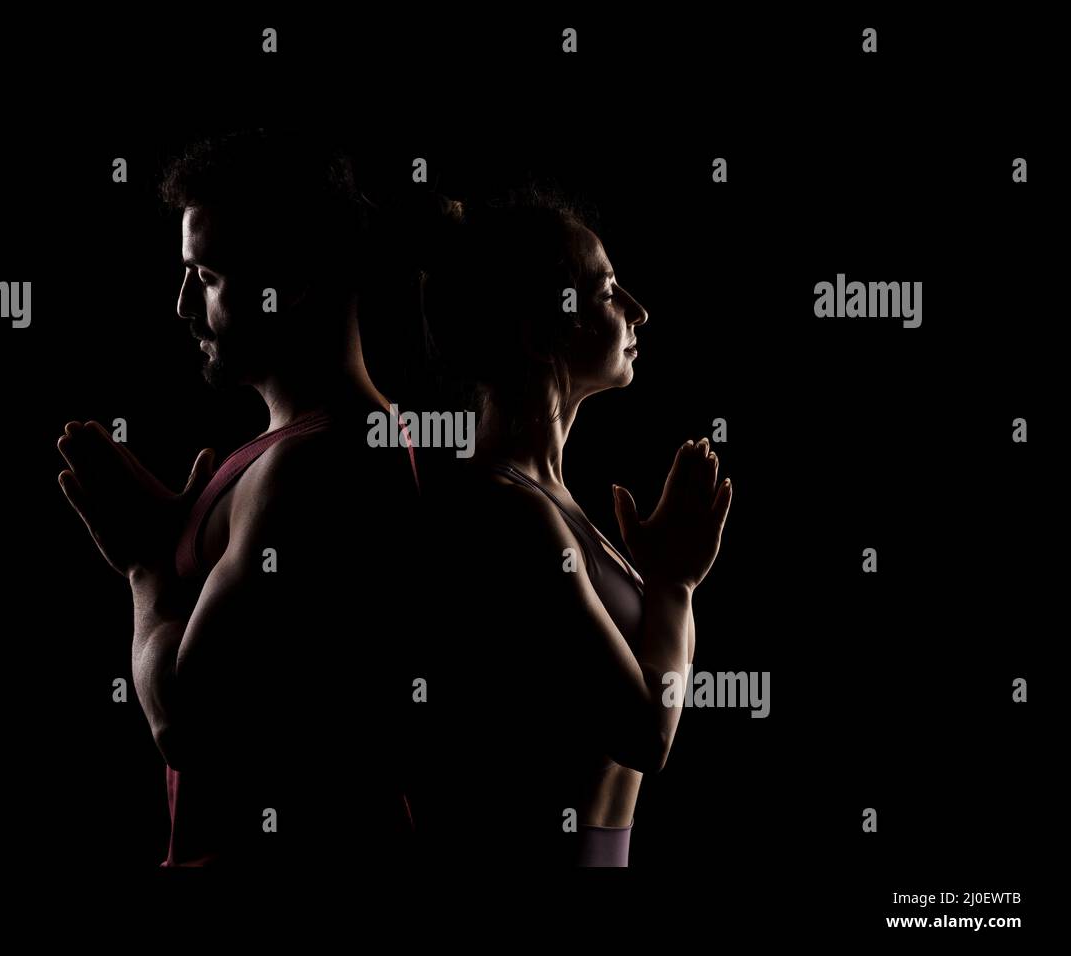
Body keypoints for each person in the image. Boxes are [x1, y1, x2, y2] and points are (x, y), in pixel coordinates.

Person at [56, 129, 421, 868]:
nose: (183, 305)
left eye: (209, 275)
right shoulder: (291, 450)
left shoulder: (317, 463)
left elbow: (185, 723)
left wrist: (146, 569)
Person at [413, 188, 732, 866]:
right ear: (538, 332)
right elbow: (647, 735)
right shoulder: (509, 510)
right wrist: (673, 585)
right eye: (609, 291)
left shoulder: (548, 498)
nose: (639, 311)